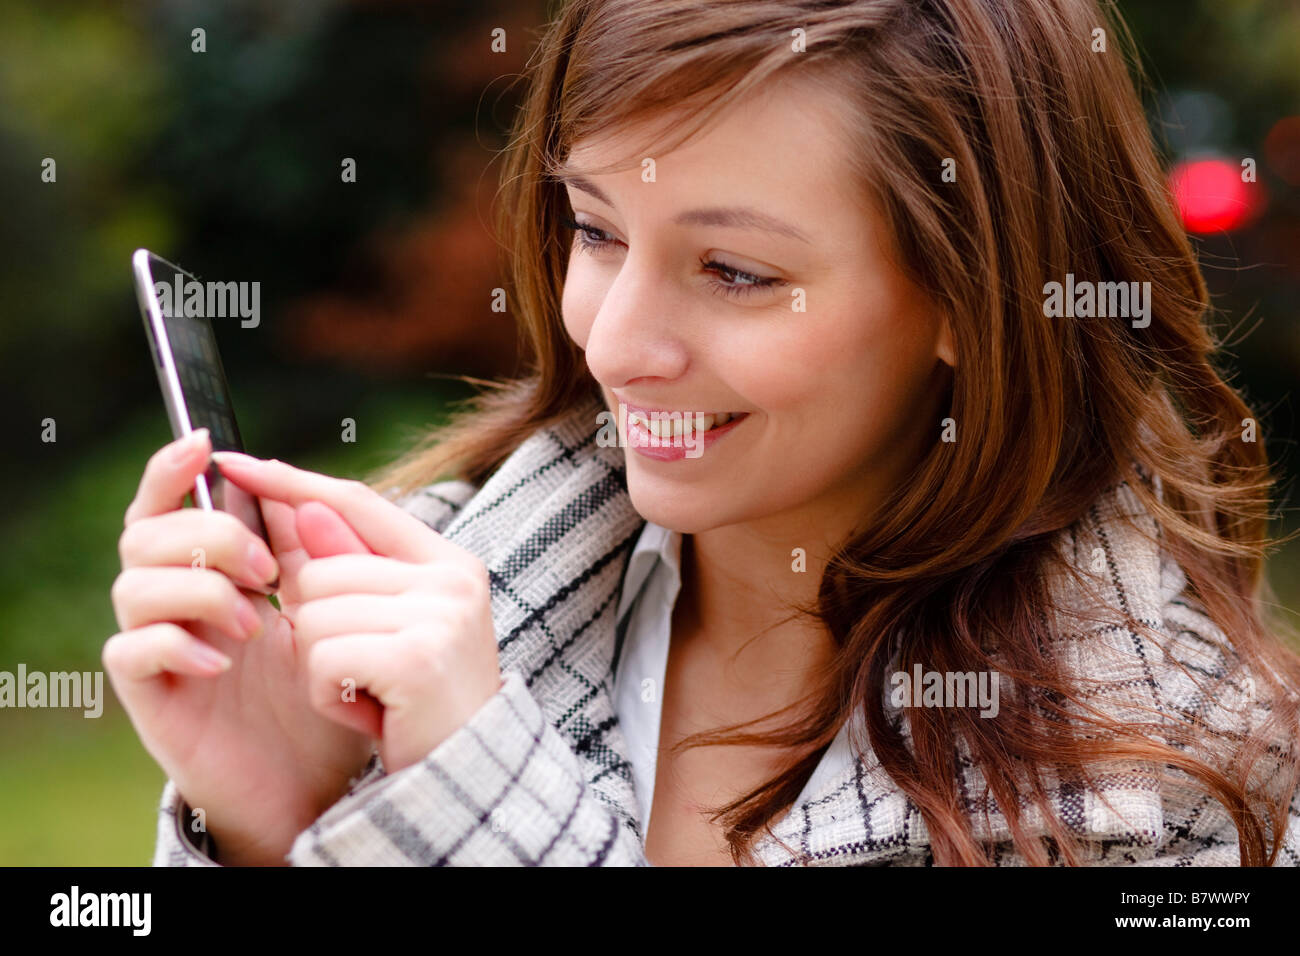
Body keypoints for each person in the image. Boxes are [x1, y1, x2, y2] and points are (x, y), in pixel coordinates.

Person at [107, 0, 1300, 866]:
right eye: (595, 227)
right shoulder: (412, 623)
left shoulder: (1188, 773)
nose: (615, 343)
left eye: (732, 269)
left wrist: (480, 797)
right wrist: (273, 828)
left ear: (967, 297)